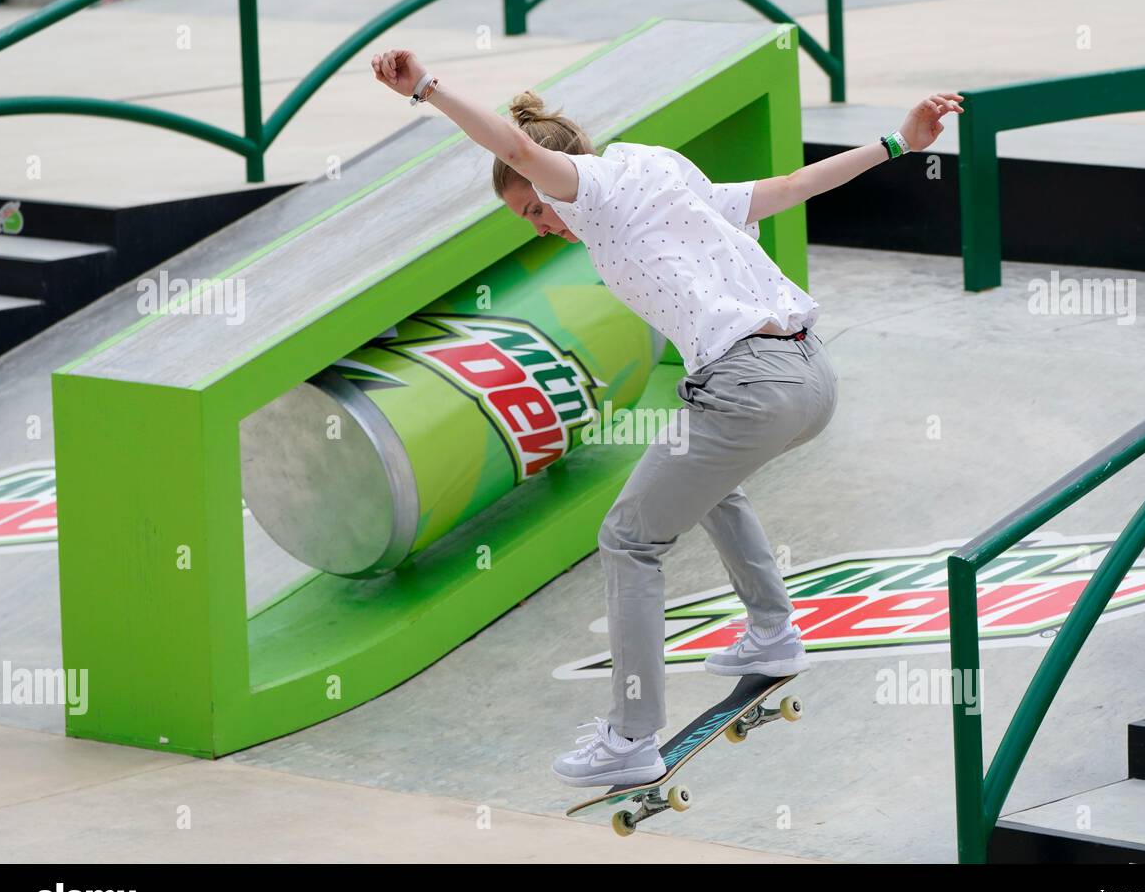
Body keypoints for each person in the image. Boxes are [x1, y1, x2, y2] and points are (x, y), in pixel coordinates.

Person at [372, 48, 962, 788]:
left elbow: (515, 147)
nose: (541, 226)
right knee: (707, 476)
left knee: (627, 539)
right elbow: (788, 188)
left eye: (533, 209)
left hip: (749, 383)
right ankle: (773, 631)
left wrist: (425, 88)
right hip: (810, 376)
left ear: (555, 180)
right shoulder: (663, 178)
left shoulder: (588, 189)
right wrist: (896, 145)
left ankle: (630, 735)